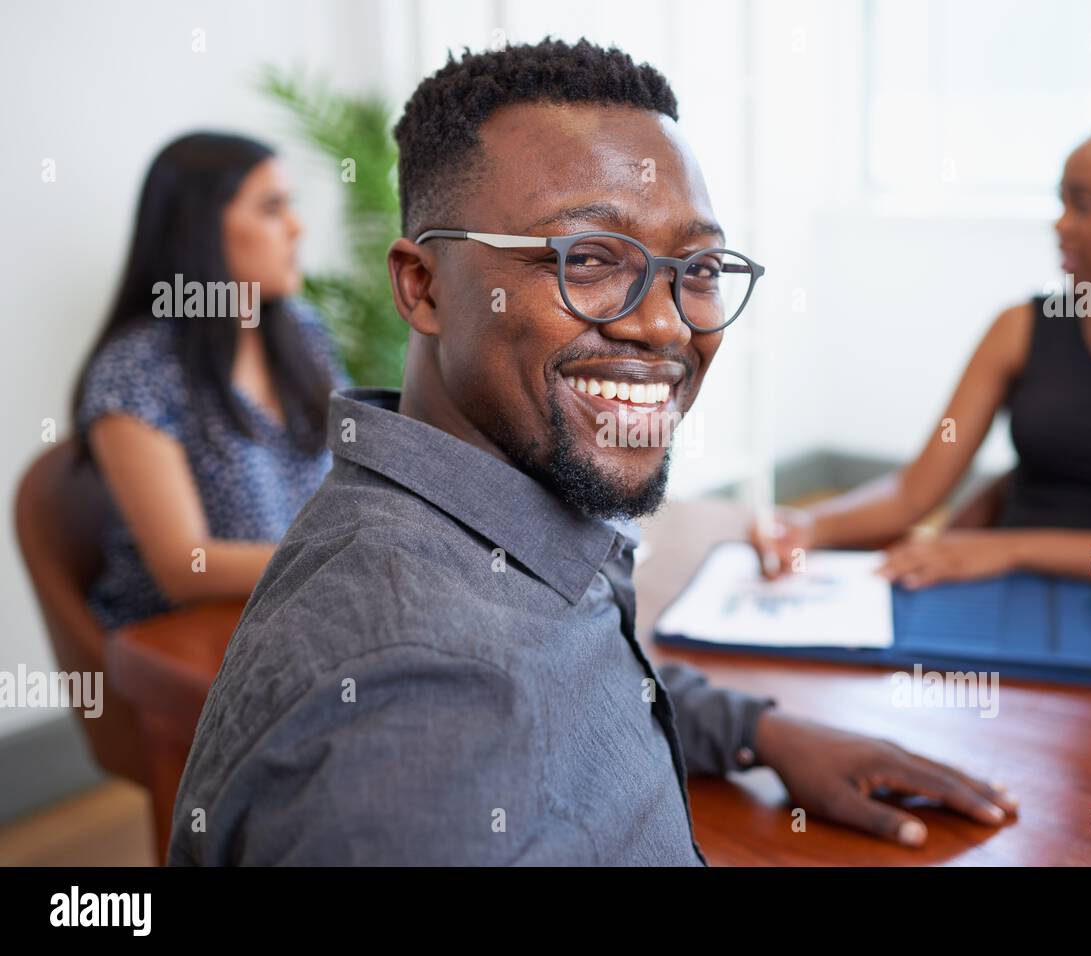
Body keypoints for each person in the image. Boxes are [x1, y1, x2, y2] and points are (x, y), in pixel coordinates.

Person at [169, 39, 1017, 866]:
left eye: (699, 266)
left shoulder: (499, 518)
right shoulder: (417, 712)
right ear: (422, 286)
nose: (664, 323)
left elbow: (571, 661)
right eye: (589, 259)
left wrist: (760, 732)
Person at [754, 46, 1091, 591]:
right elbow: (914, 492)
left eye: (1085, 204)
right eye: (1061, 202)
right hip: (1006, 606)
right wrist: (808, 525)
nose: (1061, 226)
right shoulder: (1021, 327)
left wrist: (1009, 549)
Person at [72, 132, 348, 631]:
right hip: (188, 640)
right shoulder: (136, 370)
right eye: (271, 208)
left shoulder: (301, 331)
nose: (296, 227)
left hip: (301, 610)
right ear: (198, 231)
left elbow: (355, 471)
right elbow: (183, 568)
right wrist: (348, 557)